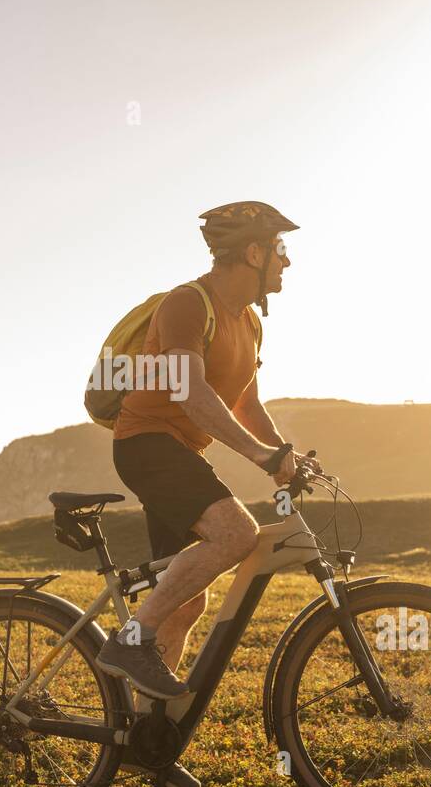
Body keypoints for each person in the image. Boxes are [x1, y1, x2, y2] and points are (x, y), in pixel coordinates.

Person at [96, 201, 310, 717]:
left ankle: (149, 735)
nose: (288, 262)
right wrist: (259, 456)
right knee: (236, 534)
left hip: (180, 450)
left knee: (187, 598)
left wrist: (283, 452)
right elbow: (190, 393)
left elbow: (246, 402)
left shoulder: (249, 323)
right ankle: (130, 640)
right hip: (146, 443)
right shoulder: (188, 304)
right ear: (253, 252)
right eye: (280, 250)